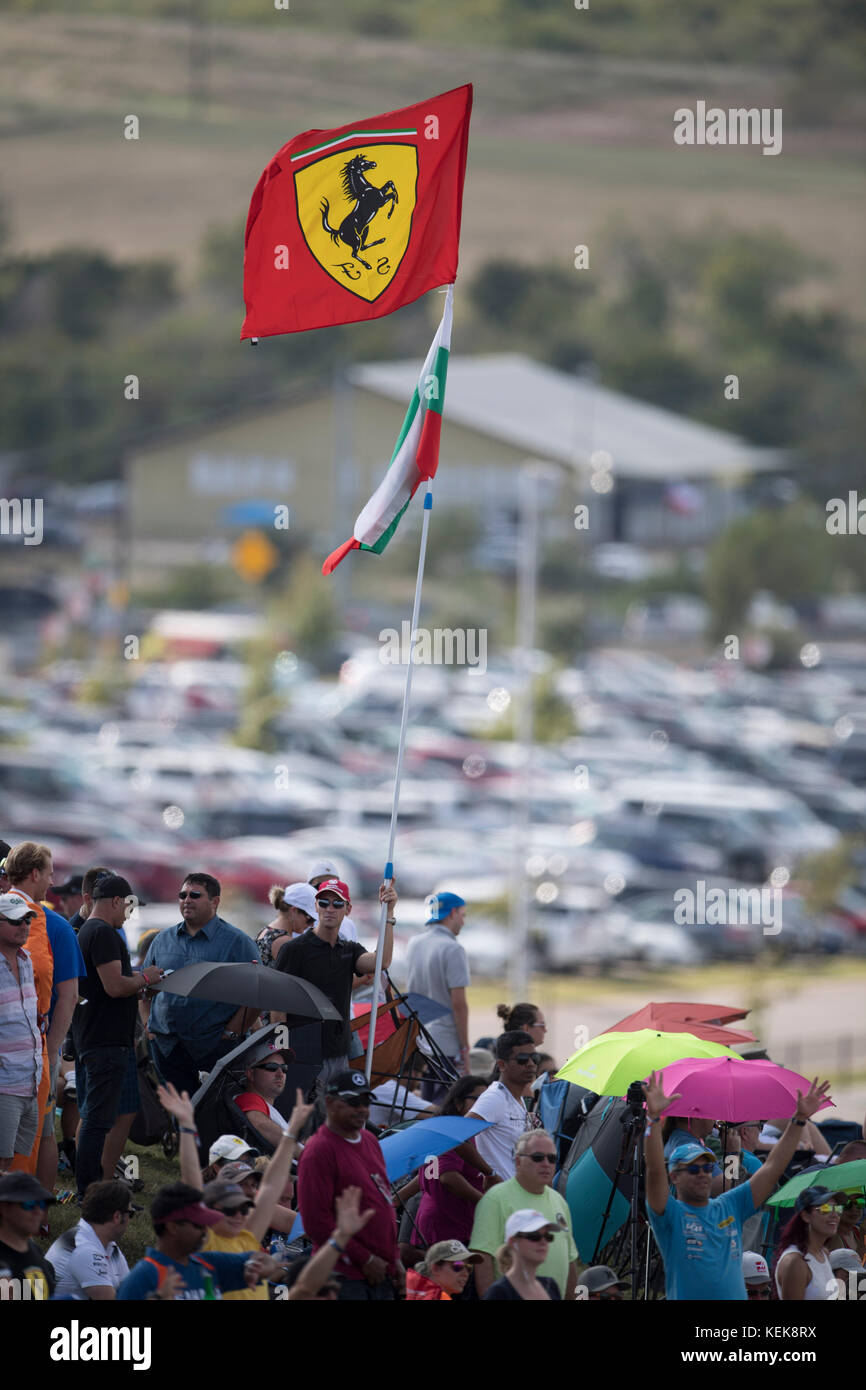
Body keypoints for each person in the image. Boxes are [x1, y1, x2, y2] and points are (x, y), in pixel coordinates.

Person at [642, 1069, 831, 1301]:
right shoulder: (674, 1210)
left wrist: (799, 1120)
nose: (702, 1173)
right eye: (693, 1169)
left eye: (706, 1167)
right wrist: (731, 1155)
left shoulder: (724, 1202)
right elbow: (720, 1184)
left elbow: (772, 1168)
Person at [72, 874, 162, 1198]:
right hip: (106, 1042)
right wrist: (145, 977)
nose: (128, 913)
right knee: (98, 1121)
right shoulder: (104, 933)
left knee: (94, 1117)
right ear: (114, 901)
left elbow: (104, 986)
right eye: (127, 906)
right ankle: (90, 1191)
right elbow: (114, 986)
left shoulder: (87, 931)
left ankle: (92, 1188)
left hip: (93, 1037)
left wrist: (136, 983)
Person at [274, 877, 397, 1098]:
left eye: (337, 903)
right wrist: (281, 1053)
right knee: (307, 1120)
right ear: (315, 906)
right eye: (324, 902)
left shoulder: (348, 949)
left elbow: (382, 962)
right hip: (303, 1051)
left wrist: (388, 914)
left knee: (337, 1114)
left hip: (338, 1050)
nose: (330, 908)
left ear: (348, 909)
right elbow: (278, 1005)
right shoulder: (295, 949)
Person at [141, 873, 260, 1098]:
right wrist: (149, 1025)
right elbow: (145, 988)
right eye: (182, 895)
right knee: (179, 1114)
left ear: (215, 902)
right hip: (168, 1046)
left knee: (213, 1113)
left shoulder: (238, 943)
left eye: (195, 895)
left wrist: (232, 1031)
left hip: (215, 1046)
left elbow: (257, 994)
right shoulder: (163, 940)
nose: (187, 900)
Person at [296, 1069, 405, 1301]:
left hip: (381, 1272)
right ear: (329, 1102)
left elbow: (383, 1201)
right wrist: (365, 1259)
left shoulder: (370, 1140)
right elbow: (316, 1223)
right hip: (343, 1277)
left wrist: (394, 1259)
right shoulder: (319, 1150)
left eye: (366, 1101)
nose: (362, 1109)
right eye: (353, 1101)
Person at [116, 1182, 289, 1300]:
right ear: (173, 1227)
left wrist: (256, 1267)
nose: (205, 1230)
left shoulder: (208, 1263)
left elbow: (263, 1260)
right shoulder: (142, 1278)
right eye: (198, 1225)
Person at [469, 1128, 578, 1298]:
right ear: (518, 1162)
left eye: (552, 1158)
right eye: (537, 1158)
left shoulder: (559, 1201)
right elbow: (483, 1259)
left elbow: (569, 1258)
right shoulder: (495, 1199)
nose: (546, 1163)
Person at [3, 843, 56, 1177]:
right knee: (17, 1152)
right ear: (35, 873)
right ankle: (15, 1218)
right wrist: (36, 1012)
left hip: (27, 1041)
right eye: (49, 873)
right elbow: (38, 969)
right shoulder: (30, 915)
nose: (52, 881)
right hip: (20, 1047)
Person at [407, 892, 471, 1093]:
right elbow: (458, 1003)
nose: (463, 921)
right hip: (446, 1042)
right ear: (452, 912)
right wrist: (465, 1047)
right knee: (445, 1104)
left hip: (420, 1037)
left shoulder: (415, 943)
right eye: (462, 914)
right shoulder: (453, 949)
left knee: (425, 1103)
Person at [415, 1075, 489, 1247]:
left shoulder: (441, 1128)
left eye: (485, 1100)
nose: (482, 1105)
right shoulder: (455, 1132)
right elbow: (448, 1177)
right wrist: (487, 1202)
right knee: (451, 1271)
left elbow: (428, 1171)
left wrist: (398, 1197)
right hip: (449, 1221)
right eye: (476, 1099)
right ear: (458, 1103)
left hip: (435, 1214)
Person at [0, 894, 42, 1173]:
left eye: (27, 919)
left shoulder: (26, 960)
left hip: (29, 1082)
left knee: (13, 1164)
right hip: (4, 1085)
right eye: (16, 920)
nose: (24, 925)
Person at [45, 1179, 133, 1299]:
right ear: (117, 1217)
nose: (129, 1220)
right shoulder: (83, 1249)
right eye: (130, 1214)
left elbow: (130, 1290)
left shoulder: (107, 1245)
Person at [466, 1031, 537, 1179]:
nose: (531, 1064)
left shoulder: (516, 1097)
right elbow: (458, 1137)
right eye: (522, 1059)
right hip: (501, 1197)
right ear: (502, 1065)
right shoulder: (495, 1098)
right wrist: (490, 1174)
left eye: (534, 1058)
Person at [774, 1187, 842, 1300]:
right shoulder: (795, 1262)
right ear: (806, 1216)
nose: (835, 1215)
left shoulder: (824, 1253)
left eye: (838, 1209)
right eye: (825, 1209)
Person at [482, 1211, 562, 1301]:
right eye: (534, 1236)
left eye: (548, 1236)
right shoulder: (499, 1292)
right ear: (513, 1242)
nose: (543, 1242)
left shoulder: (551, 1285)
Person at [0, 1172, 56, 1299]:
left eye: (42, 1204)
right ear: (3, 1207)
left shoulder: (36, 1252)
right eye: (29, 1204)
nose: (38, 1212)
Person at [233, 1038, 297, 1147]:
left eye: (284, 1068)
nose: (280, 1074)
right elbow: (260, 1124)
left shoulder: (268, 1109)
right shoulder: (247, 1098)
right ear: (250, 1074)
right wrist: (305, 1153)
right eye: (272, 1067)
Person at [256, 882, 317, 968]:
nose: (312, 924)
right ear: (294, 911)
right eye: (310, 918)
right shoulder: (285, 942)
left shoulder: (267, 931)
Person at [405, 1240, 482, 1300]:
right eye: (458, 1266)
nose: (466, 1274)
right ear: (435, 1268)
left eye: (469, 1267)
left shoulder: (418, 1294)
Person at [827, 1192, 866, 1259]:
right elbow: (850, 1268)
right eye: (847, 1204)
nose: (854, 1209)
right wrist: (863, 1241)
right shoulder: (833, 1238)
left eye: (859, 1202)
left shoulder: (856, 1230)